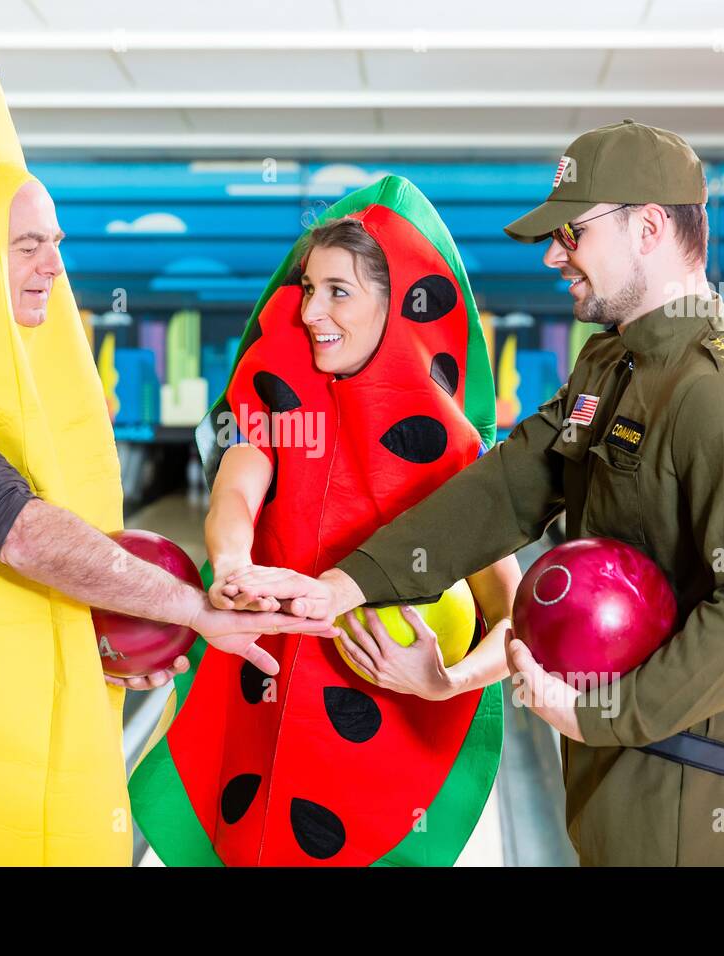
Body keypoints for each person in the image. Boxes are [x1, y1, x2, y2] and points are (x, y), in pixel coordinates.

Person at [225, 120, 724, 866]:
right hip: (622, 758)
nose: (553, 254)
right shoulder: (612, 363)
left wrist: (602, 713)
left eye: (572, 232)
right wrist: (341, 588)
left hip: (695, 782)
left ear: (651, 227)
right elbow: (505, 489)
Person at [0, 46, 329, 867]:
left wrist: (108, 641)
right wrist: (187, 610)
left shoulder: (5, 399)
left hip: (7, 741)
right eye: (26, 246)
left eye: (56, 242)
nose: (54, 264)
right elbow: (28, 535)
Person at [129, 175, 520, 866]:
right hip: (262, 711)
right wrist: (234, 562)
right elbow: (236, 495)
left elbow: (520, 618)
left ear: (394, 307)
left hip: (384, 752)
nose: (313, 311)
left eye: (339, 291)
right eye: (307, 289)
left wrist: (442, 682)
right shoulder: (276, 397)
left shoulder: (453, 453)